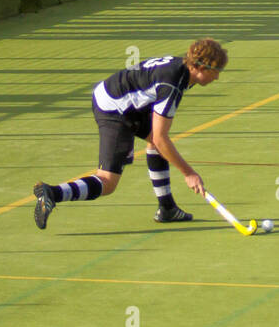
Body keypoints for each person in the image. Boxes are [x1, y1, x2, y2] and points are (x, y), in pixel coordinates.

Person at [32, 38, 229, 229]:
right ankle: (53, 193)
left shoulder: (182, 69)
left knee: (155, 140)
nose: (218, 77)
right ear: (202, 67)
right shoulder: (172, 83)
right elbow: (162, 138)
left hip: (126, 100)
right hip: (114, 109)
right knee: (108, 182)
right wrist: (189, 173)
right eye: (216, 71)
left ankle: (167, 208)